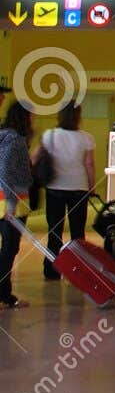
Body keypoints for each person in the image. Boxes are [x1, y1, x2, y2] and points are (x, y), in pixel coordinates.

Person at [32, 102, 95, 281]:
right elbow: (89, 164)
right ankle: (80, 271)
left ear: (59, 115)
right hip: (79, 188)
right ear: (78, 116)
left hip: (54, 189)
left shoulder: (49, 135)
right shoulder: (86, 138)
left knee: (54, 232)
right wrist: (92, 186)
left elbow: (34, 159)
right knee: (78, 233)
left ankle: (52, 271)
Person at [0, 100, 35, 309]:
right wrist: (12, 204)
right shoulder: (15, 140)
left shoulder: (4, 137)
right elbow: (5, 171)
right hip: (12, 202)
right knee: (9, 249)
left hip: (5, 200)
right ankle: (5, 294)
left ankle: (5, 293)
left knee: (7, 249)